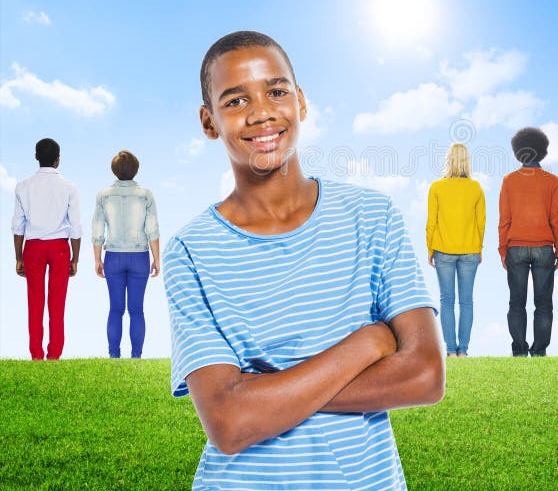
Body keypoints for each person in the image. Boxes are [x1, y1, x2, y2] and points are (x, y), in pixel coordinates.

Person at [163, 30, 444, 490]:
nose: (261, 113)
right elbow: (230, 424)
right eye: (235, 101)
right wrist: (367, 344)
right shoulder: (191, 251)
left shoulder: (372, 218)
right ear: (208, 121)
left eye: (277, 91)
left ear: (302, 101)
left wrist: (262, 396)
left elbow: (425, 375)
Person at [11, 138, 82, 360]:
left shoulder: (23, 186)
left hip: (33, 247)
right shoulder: (69, 187)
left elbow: (17, 224)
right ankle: (54, 356)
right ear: (58, 160)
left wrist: (18, 257)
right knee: (57, 303)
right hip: (60, 247)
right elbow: (76, 226)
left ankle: (36, 355)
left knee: (35, 302)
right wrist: (75, 259)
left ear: (36, 157)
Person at [498, 127, 558, 357]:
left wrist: (502, 249)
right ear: (542, 151)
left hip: (515, 248)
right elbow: (556, 219)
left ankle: (519, 350)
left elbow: (504, 219)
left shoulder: (509, 181)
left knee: (516, 303)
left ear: (518, 151)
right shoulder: (553, 181)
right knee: (543, 304)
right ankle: (539, 351)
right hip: (544, 248)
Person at [92, 150, 160, 358]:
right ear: (136, 169)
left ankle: (114, 357)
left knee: (115, 309)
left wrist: (97, 259)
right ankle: (136, 357)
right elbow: (152, 229)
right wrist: (157, 258)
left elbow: (97, 230)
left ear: (114, 170)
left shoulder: (103, 195)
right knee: (137, 310)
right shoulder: (145, 194)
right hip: (139, 256)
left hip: (113, 256)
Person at [426, 142, 485, 357]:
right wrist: (479, 248)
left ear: (448, 160)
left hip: (443, 250)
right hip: (470, 249)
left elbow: (431, 221)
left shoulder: (436, 187)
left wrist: (430, 248)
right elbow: (481, 222)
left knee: (447, 300)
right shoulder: (476, 188)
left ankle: (450, 350)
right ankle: (464, 351)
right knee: (467, 301)